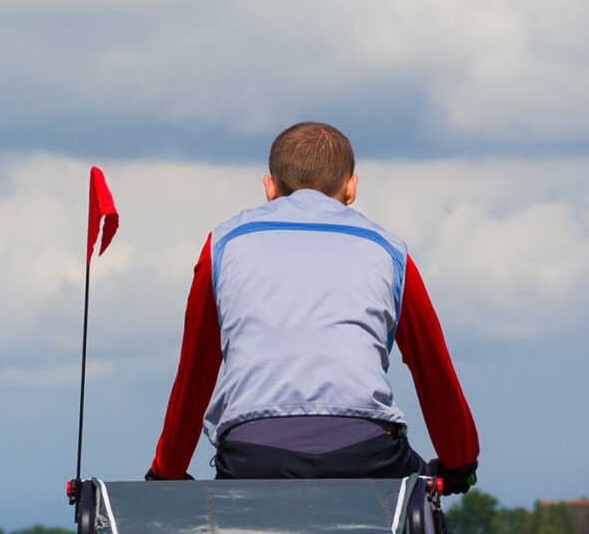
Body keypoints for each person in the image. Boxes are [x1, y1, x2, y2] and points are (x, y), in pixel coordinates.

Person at [147, 121, 479, 485]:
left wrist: (169, 470)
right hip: (366, 449)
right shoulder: (390, 251)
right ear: (351, 187)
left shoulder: (222, 245)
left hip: (252, 452)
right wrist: (459, 459)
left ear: (269, 189)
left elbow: (196, 371)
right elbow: (431, 366)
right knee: (420, 508)